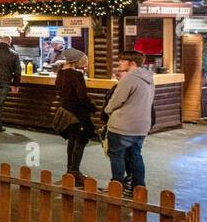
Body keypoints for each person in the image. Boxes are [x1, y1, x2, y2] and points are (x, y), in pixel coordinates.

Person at [103, 50, 154, 192]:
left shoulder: (129, 78)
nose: (119, 63)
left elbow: (116, 101)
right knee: (135, 156)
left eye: (122, 61)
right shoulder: (148, 78)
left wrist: (107, 110)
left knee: (117, 156)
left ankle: (116, 186)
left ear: (132, 64)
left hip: (122, 125)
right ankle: (139, 188)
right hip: (141, 126)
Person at [53, 49, 96, 185]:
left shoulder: (60, 73)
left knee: (72, 139)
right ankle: (75, 172)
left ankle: (69, 170)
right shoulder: (76, 75)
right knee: (81, 140)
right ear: (76, 61)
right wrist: (92, 107)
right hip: (77, 112)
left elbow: (59, 91)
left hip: (65, 110)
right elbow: (81, 96)